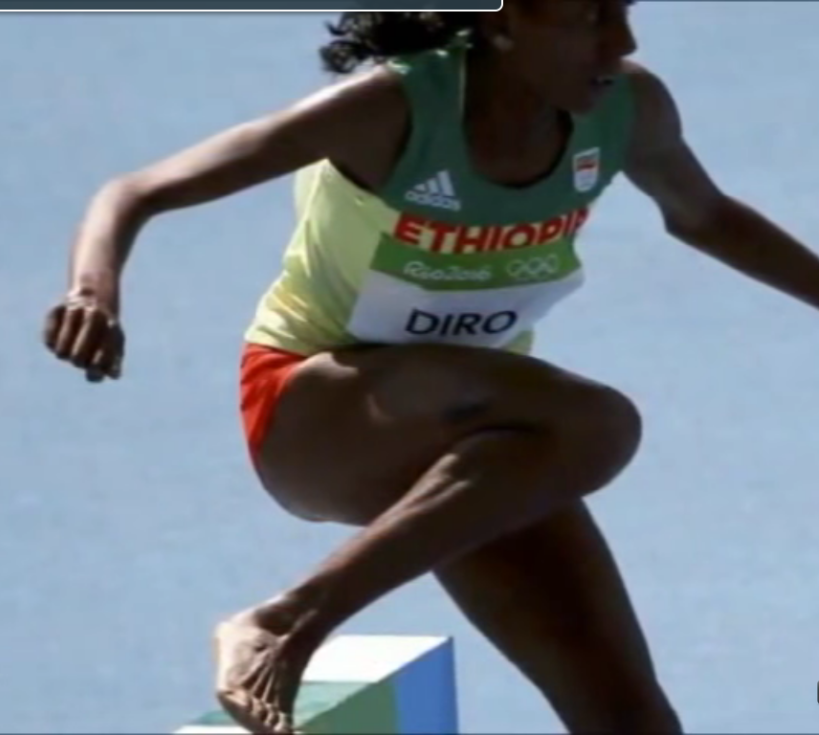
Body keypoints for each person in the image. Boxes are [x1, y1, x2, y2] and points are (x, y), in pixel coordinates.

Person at [43, 4, 819, 733]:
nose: (622, 43)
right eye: (589, 17)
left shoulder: (627, 109)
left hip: (484, 443)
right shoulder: (391, 110)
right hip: (312, 411)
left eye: (626, 11)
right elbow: (136, 189)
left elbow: (706, 215)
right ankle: (284, 620)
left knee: (630, 718)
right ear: (507, 19)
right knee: (598, 422)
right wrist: (94, 290)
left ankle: (297, 615)